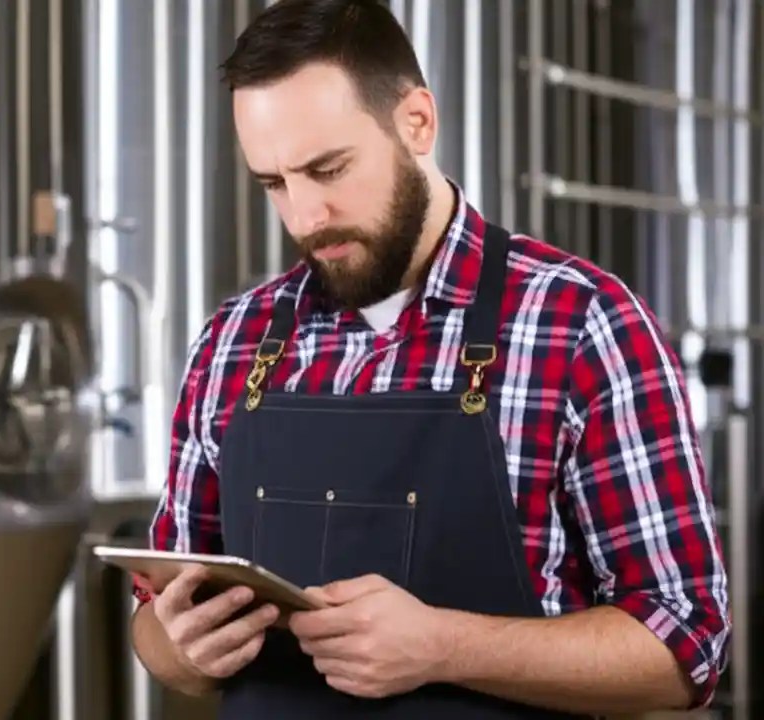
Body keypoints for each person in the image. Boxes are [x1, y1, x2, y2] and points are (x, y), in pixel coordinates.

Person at [127, 0, 731, 718]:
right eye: (275, 184)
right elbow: (158, 624)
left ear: (416, 121)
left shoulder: (581, 327)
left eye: (329, 168)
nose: (305, 217)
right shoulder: (233, 341)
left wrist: (445, 646)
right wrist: (178, 648)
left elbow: (685, 646)